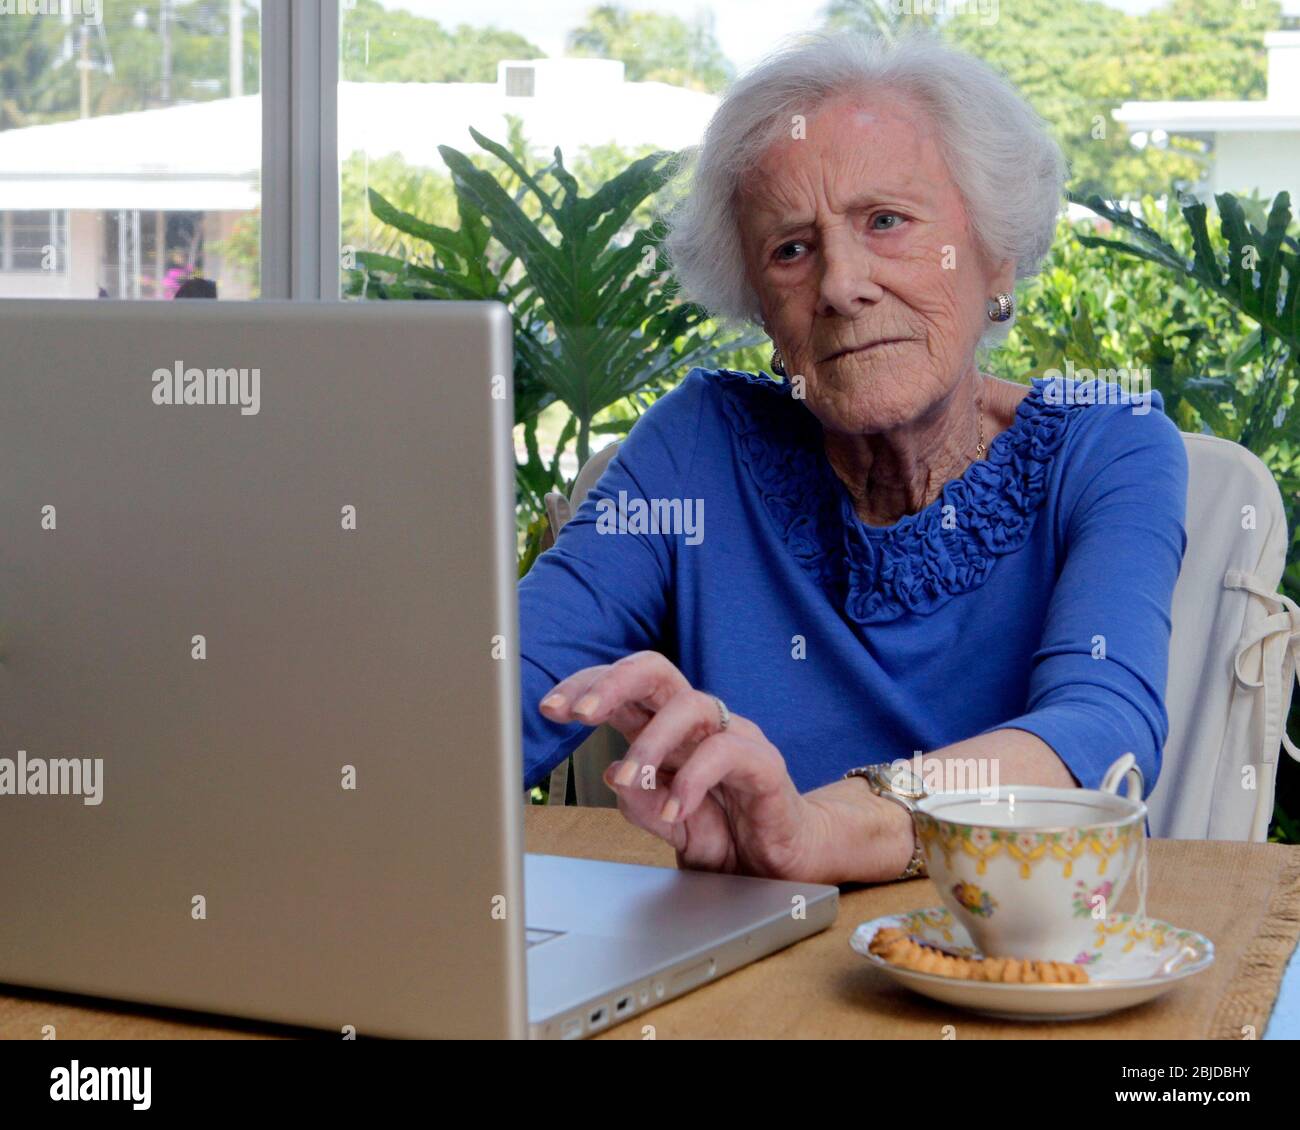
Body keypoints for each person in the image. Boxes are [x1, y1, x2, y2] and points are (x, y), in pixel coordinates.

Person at [518, 32, 1188, 884]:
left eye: (886, 221)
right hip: (743, 974)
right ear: (761, 307)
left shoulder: (1106, 446)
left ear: (995, 256)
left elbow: (1099, 731)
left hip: (1009, 973)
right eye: (791, 249)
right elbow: (504, 694)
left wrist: (820, 830)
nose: (841, 284)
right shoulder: (699, 446)